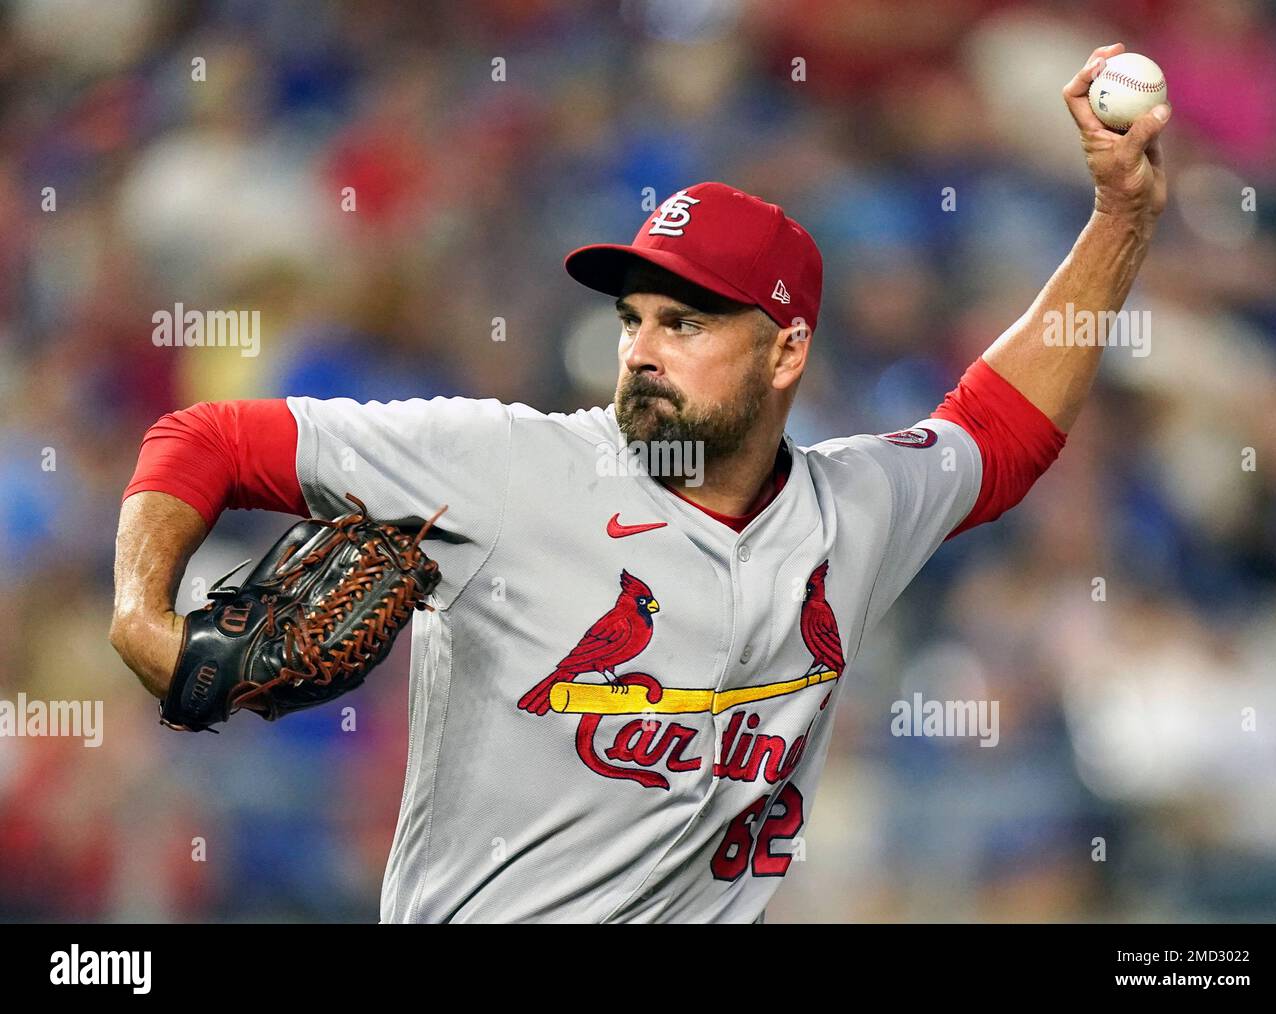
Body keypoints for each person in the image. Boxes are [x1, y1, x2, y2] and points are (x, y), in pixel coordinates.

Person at [111, 44, 1169, 922]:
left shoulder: (855, 509)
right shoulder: (506, 465)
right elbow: (203, 439)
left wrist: (1119, 222)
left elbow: (999, 435)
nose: (643, 350)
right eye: (633, 320)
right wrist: (142, 618)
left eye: (686, 322)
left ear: (788, 352)